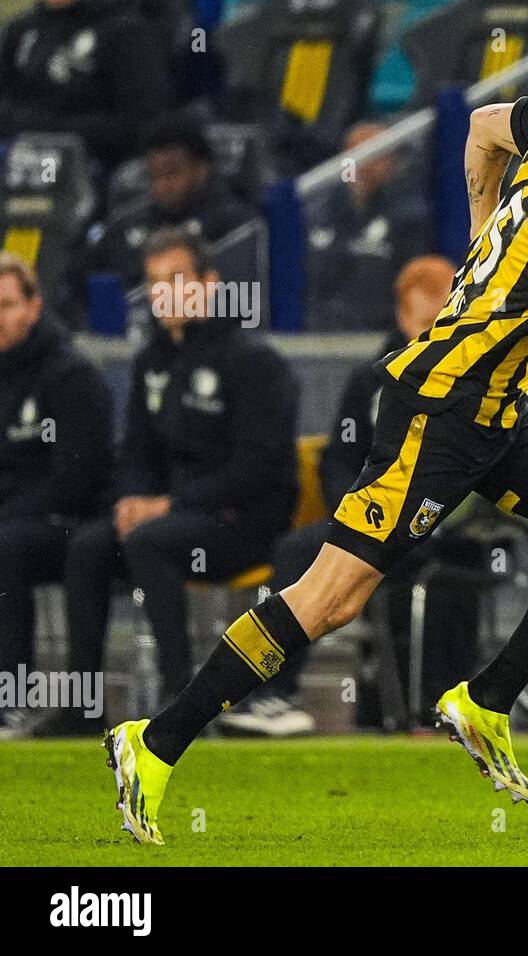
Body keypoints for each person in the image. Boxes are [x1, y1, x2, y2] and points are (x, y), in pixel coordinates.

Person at [102, 35, 528, 844]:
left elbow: (482, 125)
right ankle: (155, 743)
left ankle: (483, 701)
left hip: (499, 410)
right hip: (439, 411)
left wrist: (482, 229)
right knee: (330, 599)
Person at [28, 228, 299, 737]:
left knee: (151, 542)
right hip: (172, 517)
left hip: (243, 523)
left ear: (211, 284)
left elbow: (257, 470)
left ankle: (183, 707)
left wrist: (168, 504)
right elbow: (135, 451)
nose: (165, 294)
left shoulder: (254, 361)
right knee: (87, 546)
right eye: (154, 283)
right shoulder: (151, 359)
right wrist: (133, 498)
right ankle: (82, 707)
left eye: (177, 279)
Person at [216, 254, 457, 737]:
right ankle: (273, 694)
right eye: (420, 321)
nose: (427, 332)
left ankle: (276, 693)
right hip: (368, 519)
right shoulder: (373, 377)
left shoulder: (474, 374)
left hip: (437, 528)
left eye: (439, 321)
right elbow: (339, 458)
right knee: (295, 551)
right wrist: (352, 507)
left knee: (304, 553)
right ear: (401, 316)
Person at [0, 252, 113, 732]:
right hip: (15, 519)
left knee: (6, 546)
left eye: (6, 304)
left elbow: (77, 478)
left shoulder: (71, 375)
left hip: (71, 523)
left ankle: (12, 696)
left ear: (34, 306)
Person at [0, 0, 173, 174]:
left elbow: (143, 122)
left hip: (99, 169)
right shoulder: (21, 30)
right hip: (19, 164)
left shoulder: (126, 31)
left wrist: (48, 129)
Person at [88, 116, 258, 290]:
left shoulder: (236, 227)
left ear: (201, 170)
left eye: (172, 174)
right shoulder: (125, 226)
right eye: (154, 176)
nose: (162, 186)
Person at [305, 121, 435, 332]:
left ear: (392, 162)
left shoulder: (410, 219)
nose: (362, 166)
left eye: (373, 156)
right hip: (318, 330)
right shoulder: (319, 214)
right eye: (353, 157)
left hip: (379, 333)